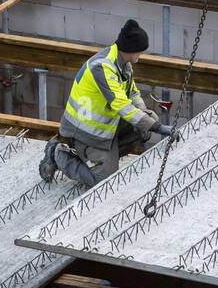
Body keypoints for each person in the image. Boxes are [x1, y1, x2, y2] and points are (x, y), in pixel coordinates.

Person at [39, 19, 178, 187]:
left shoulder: (123, 65)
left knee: (145, 123)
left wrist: (144, 115)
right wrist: (157, 127)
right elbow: (121, 105)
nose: (140, 56)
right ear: (129, 49)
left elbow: (132, 93)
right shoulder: (102, 68)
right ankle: (58, 154)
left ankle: (104, 158)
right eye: (139, 52)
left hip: (104, 130)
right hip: (83, 132)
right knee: (103, 181)